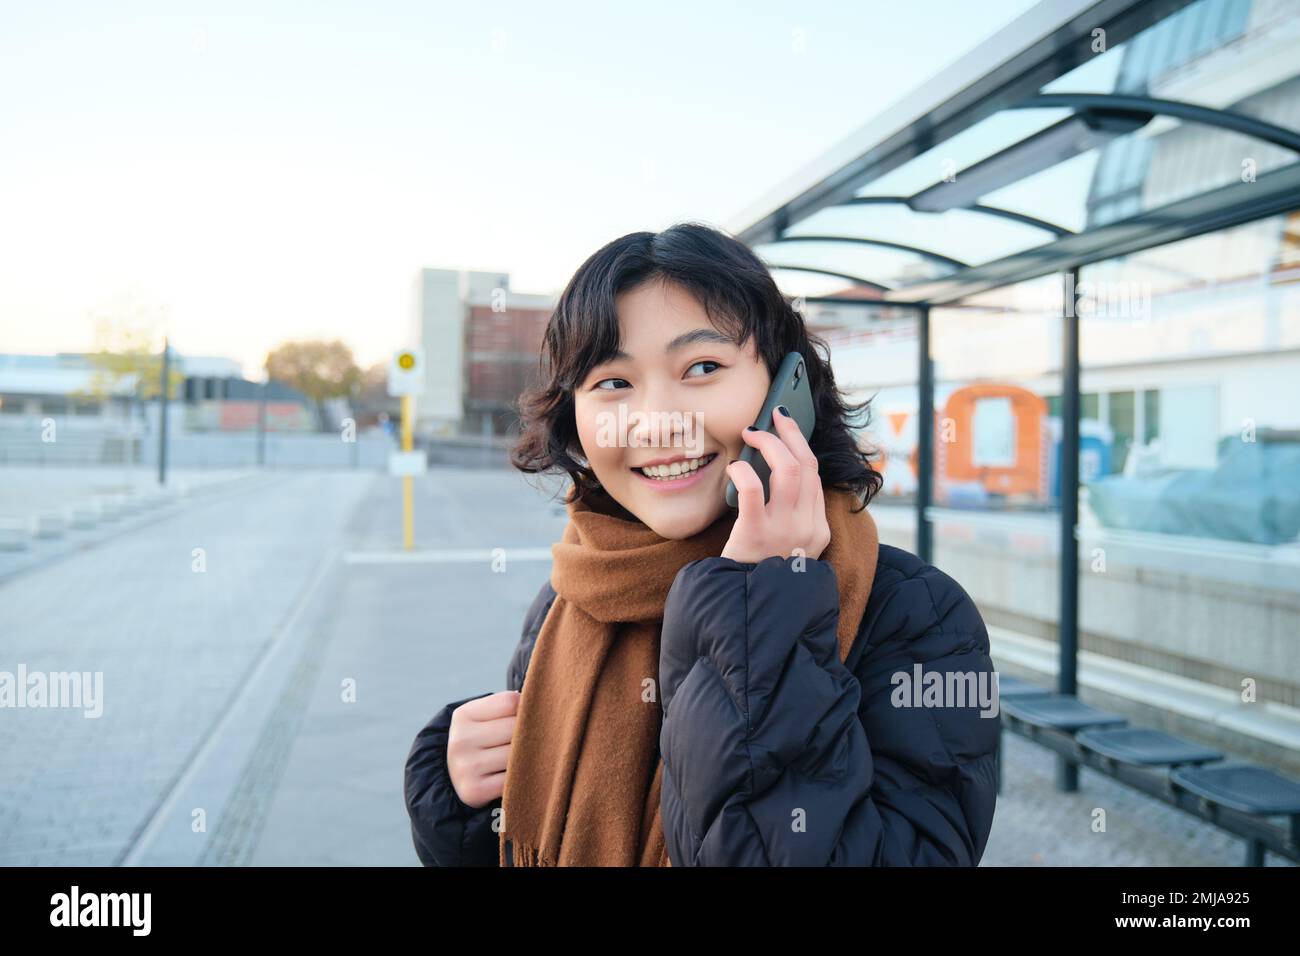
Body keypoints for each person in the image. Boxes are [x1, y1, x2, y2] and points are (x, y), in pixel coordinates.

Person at [404, 221, 999, 866]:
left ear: (785, 387)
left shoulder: (921, 619)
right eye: (613, 382)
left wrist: (761, 609)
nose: (659, 422)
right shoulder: (570, 596)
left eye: (703, 367)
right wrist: (463, 803)